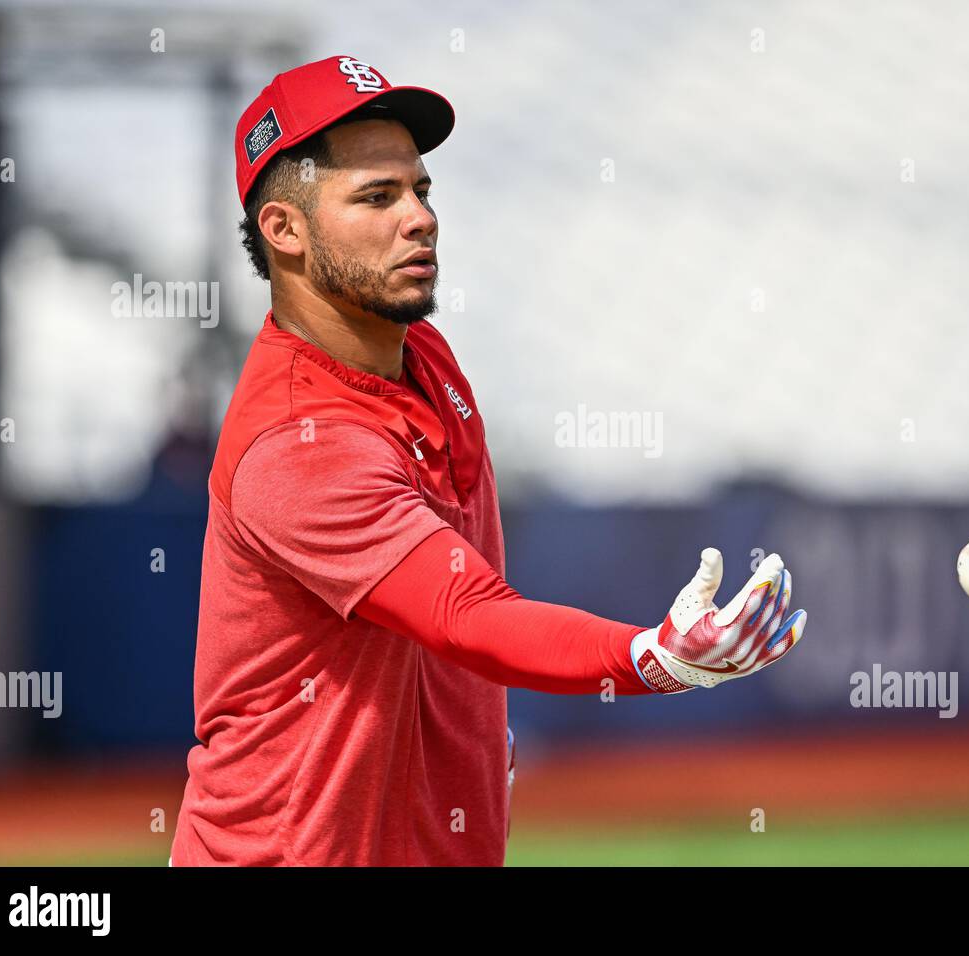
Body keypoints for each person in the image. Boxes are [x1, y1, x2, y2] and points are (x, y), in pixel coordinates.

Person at [169, 55, 807, 867]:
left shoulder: (422, 355)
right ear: (284, 231)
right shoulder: (301, 446)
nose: (420, 217)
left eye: (421, 190)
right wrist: (653, 656)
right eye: (377, 196)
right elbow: (466, 612)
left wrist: (463, 728)